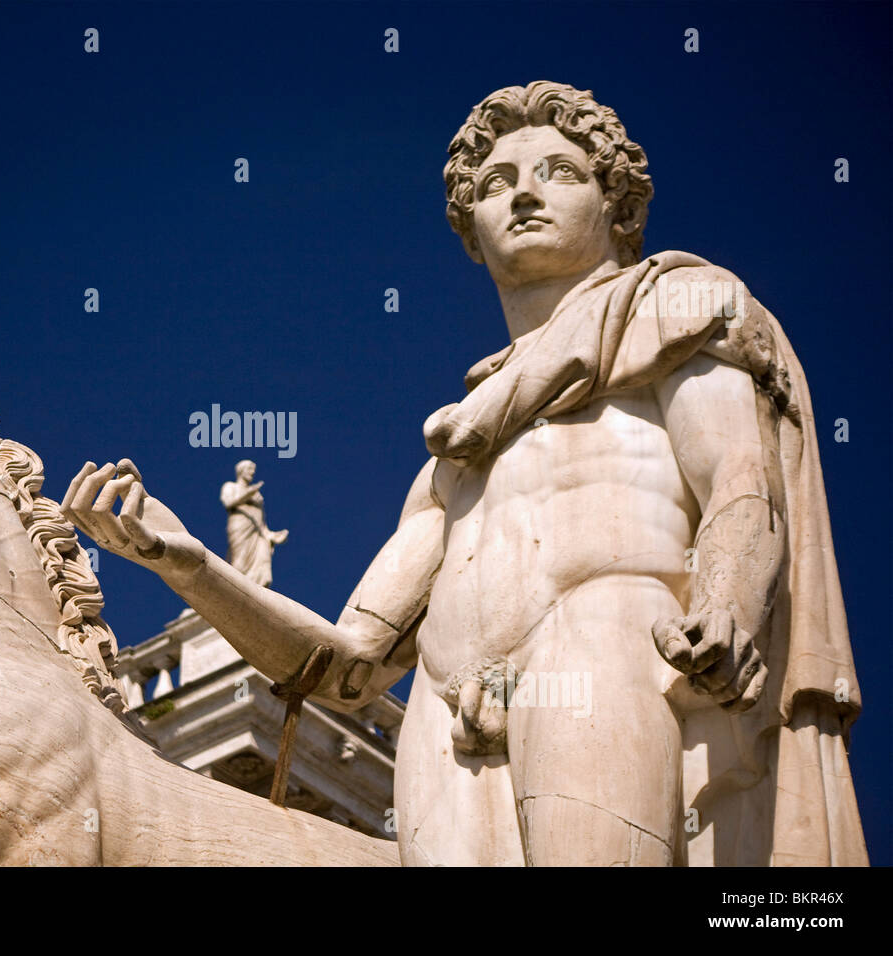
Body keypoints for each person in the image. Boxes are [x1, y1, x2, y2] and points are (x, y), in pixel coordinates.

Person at [63, 82, 866, 866]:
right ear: (472, 230)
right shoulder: (458, 455)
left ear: (617, 207)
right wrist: (187, 561)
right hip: (445, 715)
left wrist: (727, 602)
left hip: (605, 645)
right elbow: (344, 669)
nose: (522, 196)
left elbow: (740, 484)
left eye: (559, 172)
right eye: (494, 185)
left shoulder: (674, 315)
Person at [220, 460, 288, 588]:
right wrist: (248, 494)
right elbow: (228, 503)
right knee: (239, 562)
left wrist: (272, 535)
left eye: (253, 470)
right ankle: (231, 589)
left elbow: (261, 520)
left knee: (264, 566)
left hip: (258, 532)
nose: (252, 472)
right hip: (240, 527)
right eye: (249, 469)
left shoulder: (257, 494)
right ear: (241, 471)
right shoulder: (231, 486)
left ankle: (254, 594)